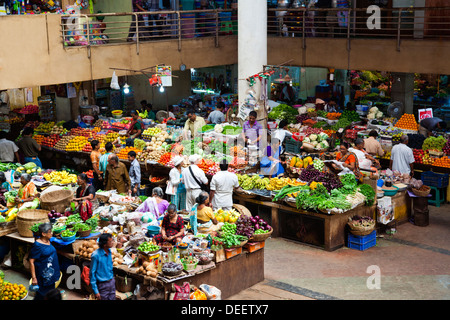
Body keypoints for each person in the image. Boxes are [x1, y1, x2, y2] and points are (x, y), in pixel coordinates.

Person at [29, 222, 61, 300]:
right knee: (42, 295)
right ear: (43, 233)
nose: (52, 233)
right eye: (50, 232)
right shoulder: (37, 245)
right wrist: (34, 278)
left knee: (51, 294)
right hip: (43, 277)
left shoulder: (48, 240)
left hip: (51, 275)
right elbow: (31, 261)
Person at [90, 233, 115, 300]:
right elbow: (92, 273)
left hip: (111, 282)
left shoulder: (109, 251)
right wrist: (95, 291)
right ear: (105, 244)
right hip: (102, 285)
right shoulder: (95, 255)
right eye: (111, 241)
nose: (113, 242)